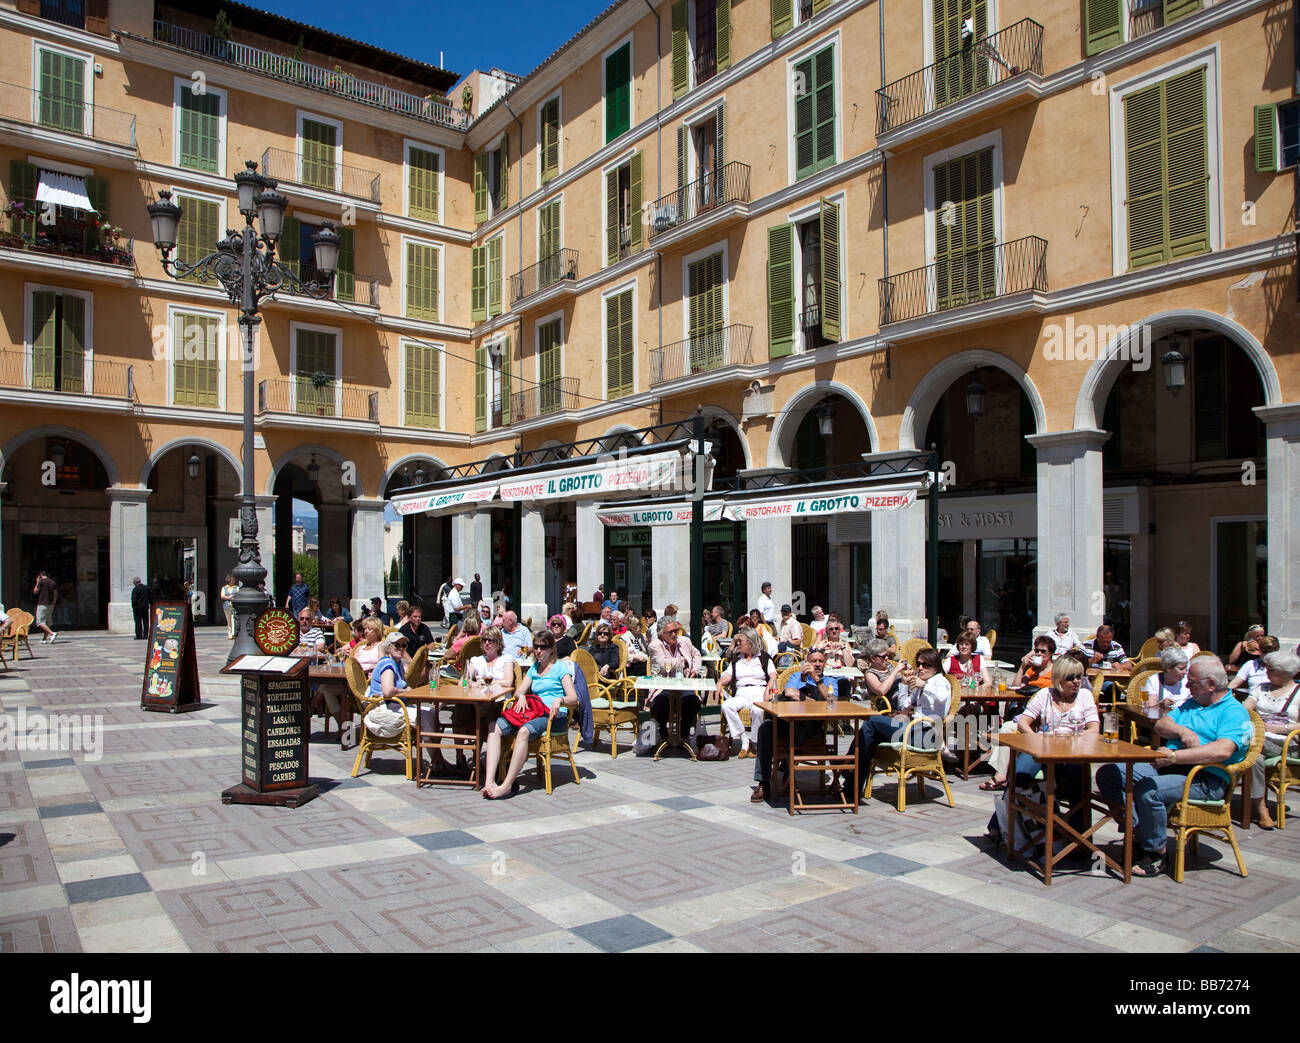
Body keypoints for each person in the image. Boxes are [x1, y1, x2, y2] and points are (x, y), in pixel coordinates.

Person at [1097, 656, 1255, 876]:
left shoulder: (1233, 712)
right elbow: (1161, 723)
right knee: (1110, 774)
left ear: (1211, 685)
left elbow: (1222, 750)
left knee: (1148, 790)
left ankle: (1155, 852)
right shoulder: (1193, 703)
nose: (1187, 685)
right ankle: (1138, 832)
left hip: (1205, 778)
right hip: (1171, 767)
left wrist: (1174, 757)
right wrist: (1183, 731)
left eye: (1192, 681)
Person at [985, 656, 1099, 846]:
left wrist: (1074, 740)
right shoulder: (1045, 694)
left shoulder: (1085, 696)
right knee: (1019, 774)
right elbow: (1023, 722)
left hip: (1073, 752)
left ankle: (1079, 839)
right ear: (1059, 678)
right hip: (1042, 749)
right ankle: (1000, 824)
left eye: (1079, 676)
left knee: (1077, 778)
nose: (1077, 681)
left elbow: (1094, 728)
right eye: (1071, 677)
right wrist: (1036, 738)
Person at [483, 630, 577, 799]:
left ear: (551, 649)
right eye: (536, 647)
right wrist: (521, 697)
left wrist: (560, 700)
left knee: (524, 731)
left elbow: (573, 698)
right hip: (535, 712)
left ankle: (506, 785)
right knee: (494, 726)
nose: (539, 650)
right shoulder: (534, 668)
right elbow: (519, 691)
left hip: (555, 716)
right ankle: (489, 781)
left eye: (543, 647)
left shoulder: (559, 668)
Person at [845, 648, 950, 798]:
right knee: (869, 733)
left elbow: (942, 697)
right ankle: (851, 787)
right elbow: (903, 706)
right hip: (912, 730)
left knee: (872, 720)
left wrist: (924, 686)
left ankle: (848, 773)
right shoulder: (923, 682)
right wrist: (904, 685)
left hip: (927, 735)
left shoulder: (940, 681)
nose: (921, 668)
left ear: (936, 666)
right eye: (919, 664)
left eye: (926, 665)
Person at [751, 649, 832, 803]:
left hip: (811, 725)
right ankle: (763, 782)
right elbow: (789, 692)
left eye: (820, 661)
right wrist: (813, 702)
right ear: (807, 663)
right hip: (787, 720)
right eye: (813, 661)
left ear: (825, 663)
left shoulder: (829, 681)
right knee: (765, 728)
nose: (817, 664)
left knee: (799, 728)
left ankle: (787, 768)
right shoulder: (796, 676)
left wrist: (816, 680)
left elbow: (831, 701)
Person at [1244, 651, 1300, 828]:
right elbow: (1244, 709)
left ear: (1286, 671)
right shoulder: (1261, 688)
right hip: (1258, 739)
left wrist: (1278, 728)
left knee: (1250, 747)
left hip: (1286, 743)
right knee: (1255, 759)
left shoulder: (1298, 693)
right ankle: (1261, 809)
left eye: (1271, 668)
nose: (1266, 671)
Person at [718, 627, 777, 759]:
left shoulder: (764, 657)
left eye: (741, 641)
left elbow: (773, 677)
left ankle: (755, 743)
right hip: (741, 693)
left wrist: (768, 689)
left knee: (757, 711)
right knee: (726, 706)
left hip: (759, 692)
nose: (738, 644)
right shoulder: (736, 658)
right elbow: (728, 675)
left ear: (750, 643)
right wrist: (720, 682)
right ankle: (745, 740)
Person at [647, 618, 704, 738]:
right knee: (660, 703)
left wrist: (695, 669)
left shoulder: (684, 641)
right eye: (670, 632)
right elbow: (664, 665)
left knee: (693, 702)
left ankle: (683, 732)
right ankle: (663, 732)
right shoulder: (655, 646)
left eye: (675, 631)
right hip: (663, 687)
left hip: (684, 685)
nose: (674, 634)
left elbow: (697, 654)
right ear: (661, 634)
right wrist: (683, 661)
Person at [361, 633, 416, 741]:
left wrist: (408, 689)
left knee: (430, 714)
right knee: (427, 717)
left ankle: (435, 755)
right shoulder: (388, 665)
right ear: (388, 647)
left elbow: (404, 684)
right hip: (385, 709)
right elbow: (388, 691)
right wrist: (406, 691)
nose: (401, 648)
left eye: (404, 646)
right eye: (397, 645)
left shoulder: (398, 663)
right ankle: (433, 755)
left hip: (395, 705)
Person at [862, 638, 910, 709]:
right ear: (872, 658)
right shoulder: (870, 674)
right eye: (883, 657)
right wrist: (895, 671)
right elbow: (881, 691)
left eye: (887, 655)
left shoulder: (889, 665)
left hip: (904, 695)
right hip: (889, 704)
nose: (887, 658)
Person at [31, 571, 58, 644]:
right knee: (47, 622)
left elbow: (35, 591)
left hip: (42, 604)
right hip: (50, 604)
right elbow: (55, 594)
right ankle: (44, 639)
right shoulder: (52, 582)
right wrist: (53, 603)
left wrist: (37, 582)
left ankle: (52, 633)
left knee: (40, 622)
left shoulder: (41, 581)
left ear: (40, 575)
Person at [219, 574, 238, 638]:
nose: (233, 581)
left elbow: (239, 595)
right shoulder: (224, 588)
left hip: (234, 606)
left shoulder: (237, 588)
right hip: (227, 606)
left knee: (233, 619)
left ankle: (233, 633)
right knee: (229, 620)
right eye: (232, 580)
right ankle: (229, 633)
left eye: (234, 580)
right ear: (229, 580)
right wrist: (230, 597)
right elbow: (222, 596)